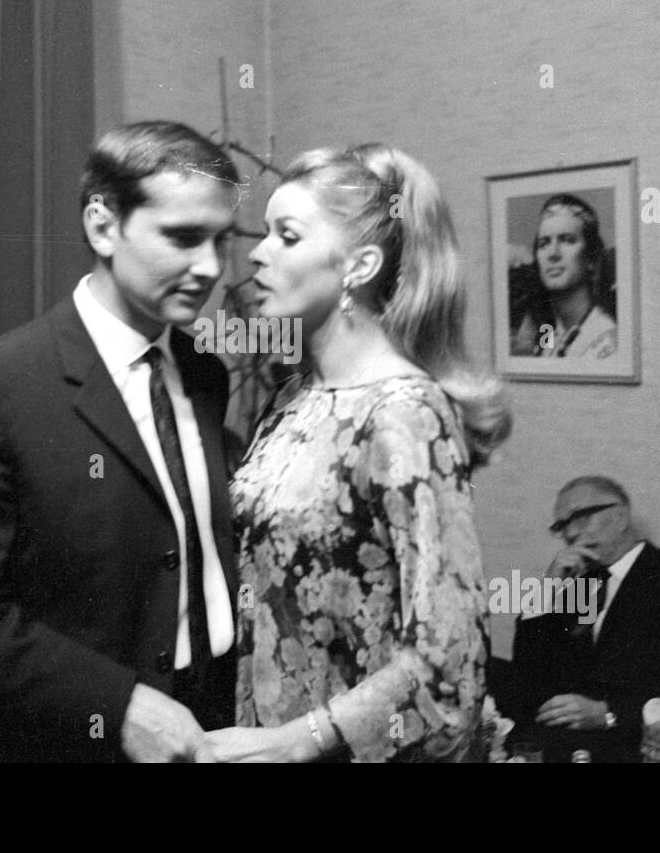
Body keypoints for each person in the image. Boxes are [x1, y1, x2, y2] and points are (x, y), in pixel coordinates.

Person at [0, 121, 243, 762]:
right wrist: (119, 707)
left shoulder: (203, 373)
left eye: (223, 242)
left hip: (211, 729)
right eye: (184, 238)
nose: (212, 269)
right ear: (103, 225)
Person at [206, 144, 512, 762]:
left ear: (359, 264)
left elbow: (447, 659)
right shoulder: (295, 395)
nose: (257, 254)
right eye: (264, 232)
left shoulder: (403, 412)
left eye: (286, 235)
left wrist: (298, 743)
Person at [504, 476, 660, 762]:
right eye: (562, 525)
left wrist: (608, 713)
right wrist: (546, 592)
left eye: (580, 517)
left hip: (639, 745)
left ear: (621, 516)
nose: (571, 534)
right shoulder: (580, 582)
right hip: (567, 743)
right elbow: (527, 679)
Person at [509, 194, 617, 359]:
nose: (553, 254)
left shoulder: (608, 344)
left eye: (567, 240)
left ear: (591, 259)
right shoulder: (548, 333)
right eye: (543, 243)